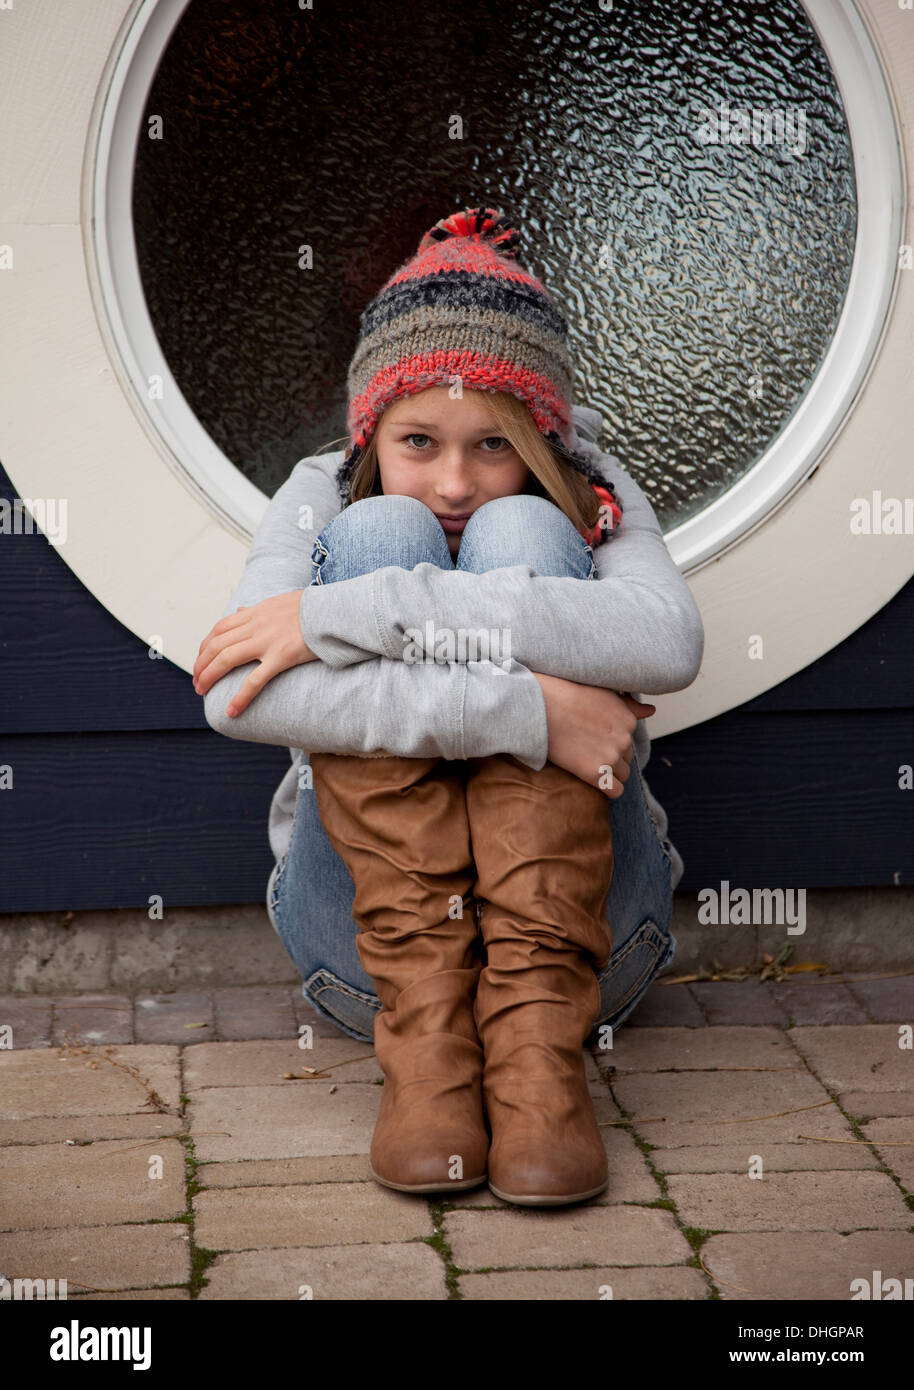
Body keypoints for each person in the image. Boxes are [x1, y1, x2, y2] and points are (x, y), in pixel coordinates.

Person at [195, 207, 704, 1208]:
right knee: (381, 530)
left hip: (592, 963)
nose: (454, 482)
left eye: (495, 443)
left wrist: (362, 611)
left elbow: (668, 642)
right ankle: (428, 1066)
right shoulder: (318, 492)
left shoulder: (589, 487)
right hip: (369, 972)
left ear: (540, 432)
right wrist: (530, 712)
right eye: (417, 439)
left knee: (522, 531)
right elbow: (233, 697)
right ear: (368, 426)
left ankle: (536, 1077)